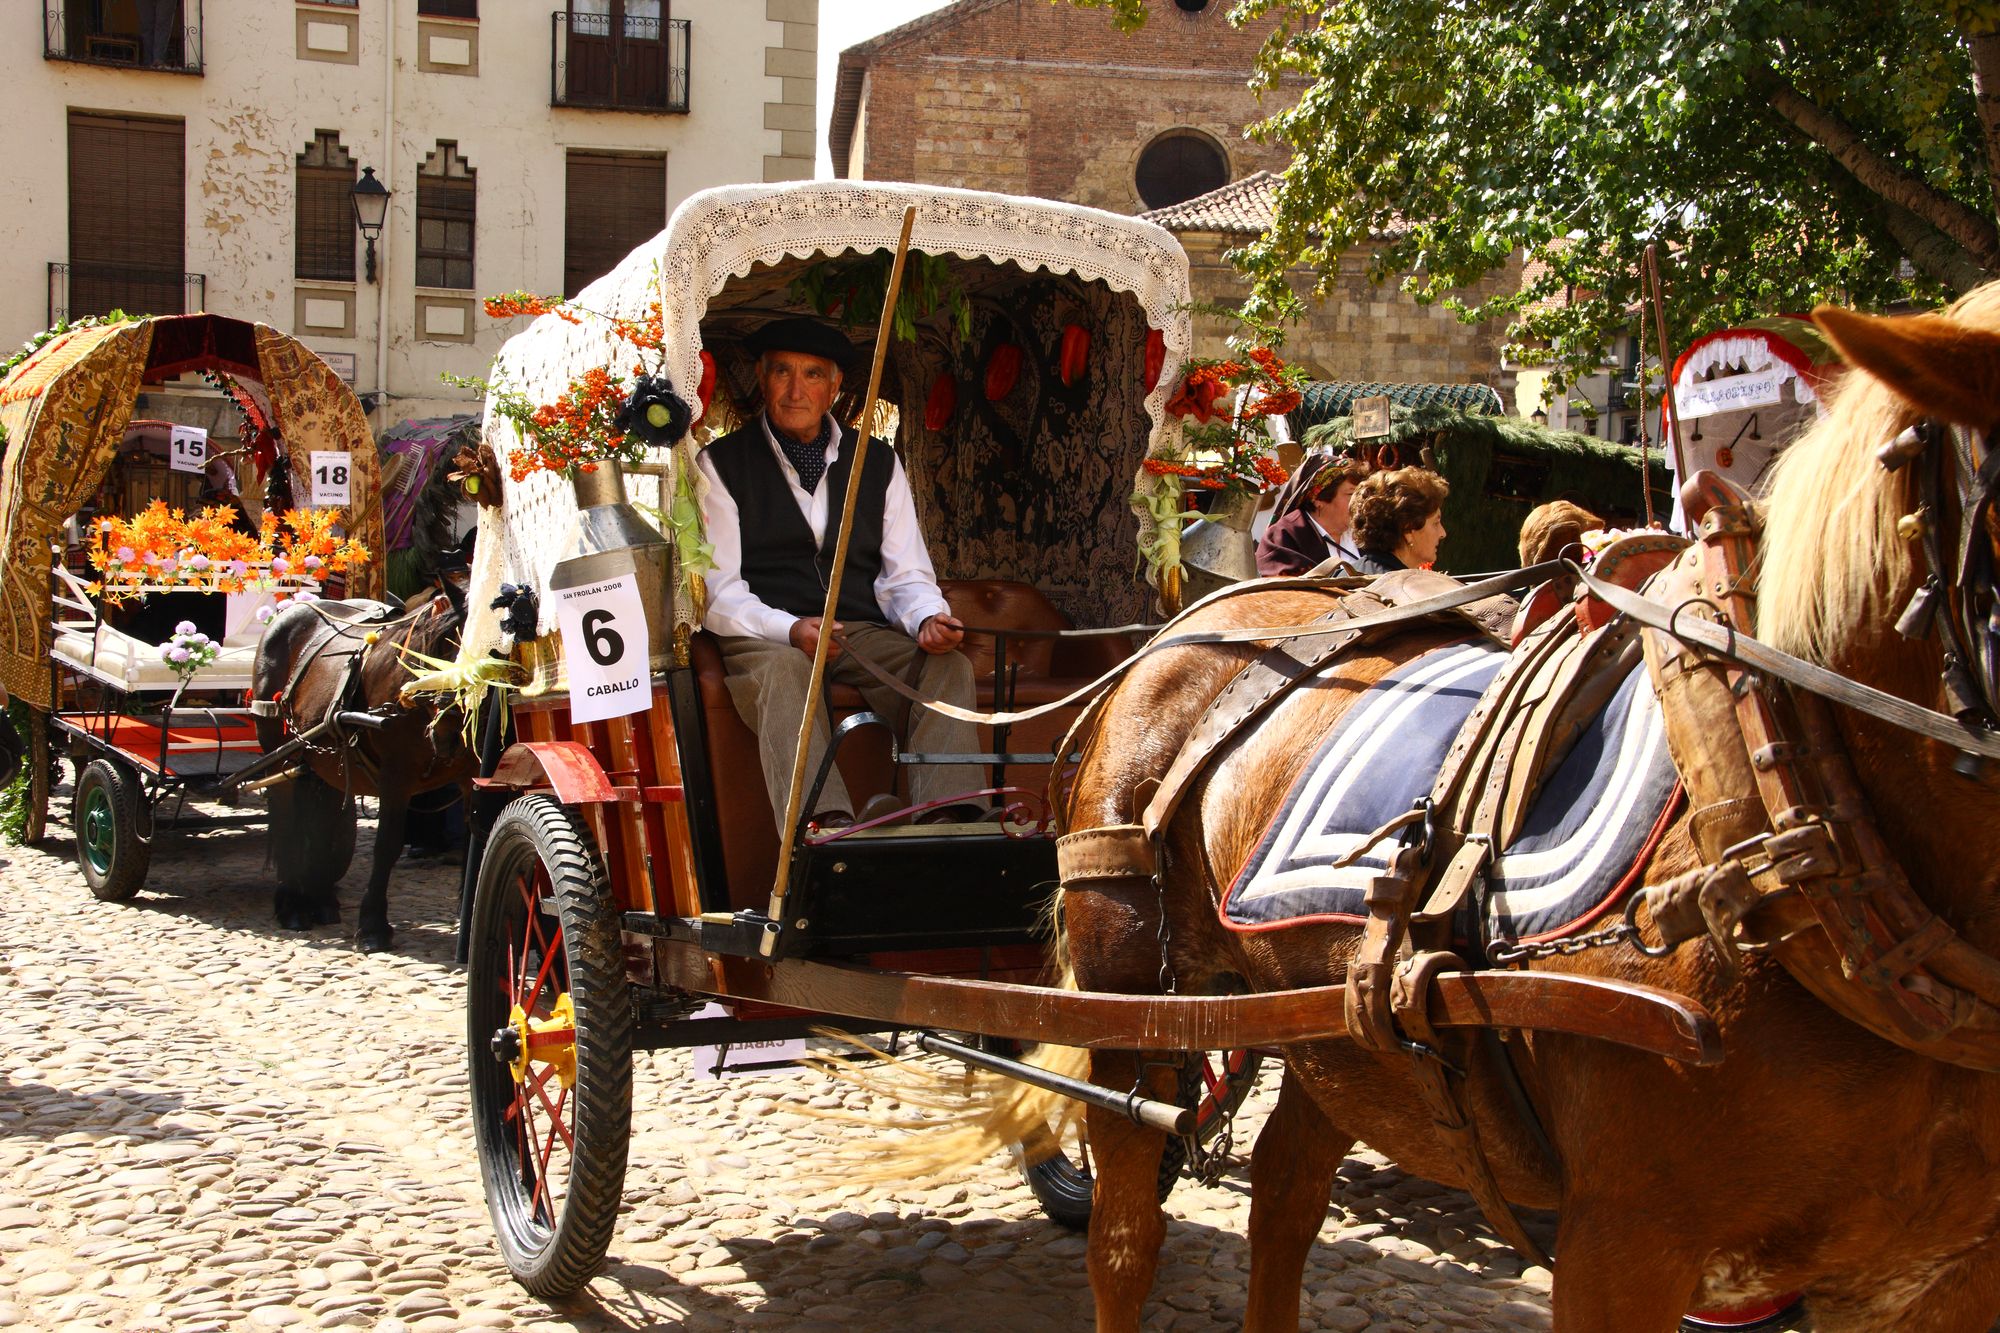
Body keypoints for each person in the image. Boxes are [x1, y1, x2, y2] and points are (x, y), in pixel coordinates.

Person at [696, 316, 985, 829]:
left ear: (833, 388)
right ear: (762, 379)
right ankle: (824, 832)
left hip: (854, 632)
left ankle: (949, 823)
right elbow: (719, 592)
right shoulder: (719, 464)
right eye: (782, 372)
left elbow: (905, 575)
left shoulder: (878, 461)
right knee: (788, 672)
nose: (795, 390)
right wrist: (790, 629)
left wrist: (927, 619)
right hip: (764, 636)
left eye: (811, 375)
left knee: (947, 668)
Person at [1255, 452, 1369, 576]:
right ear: (1318, 499)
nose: (1360, 501)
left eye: (1360, 494)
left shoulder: (1367, 533)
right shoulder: (1284, 537)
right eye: (1351, 494)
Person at [1344, 467, 1450, 574]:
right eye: (1435, 523)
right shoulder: (1407, 584)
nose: (1443, 533)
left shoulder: (1341, 575)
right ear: (1408, 530)